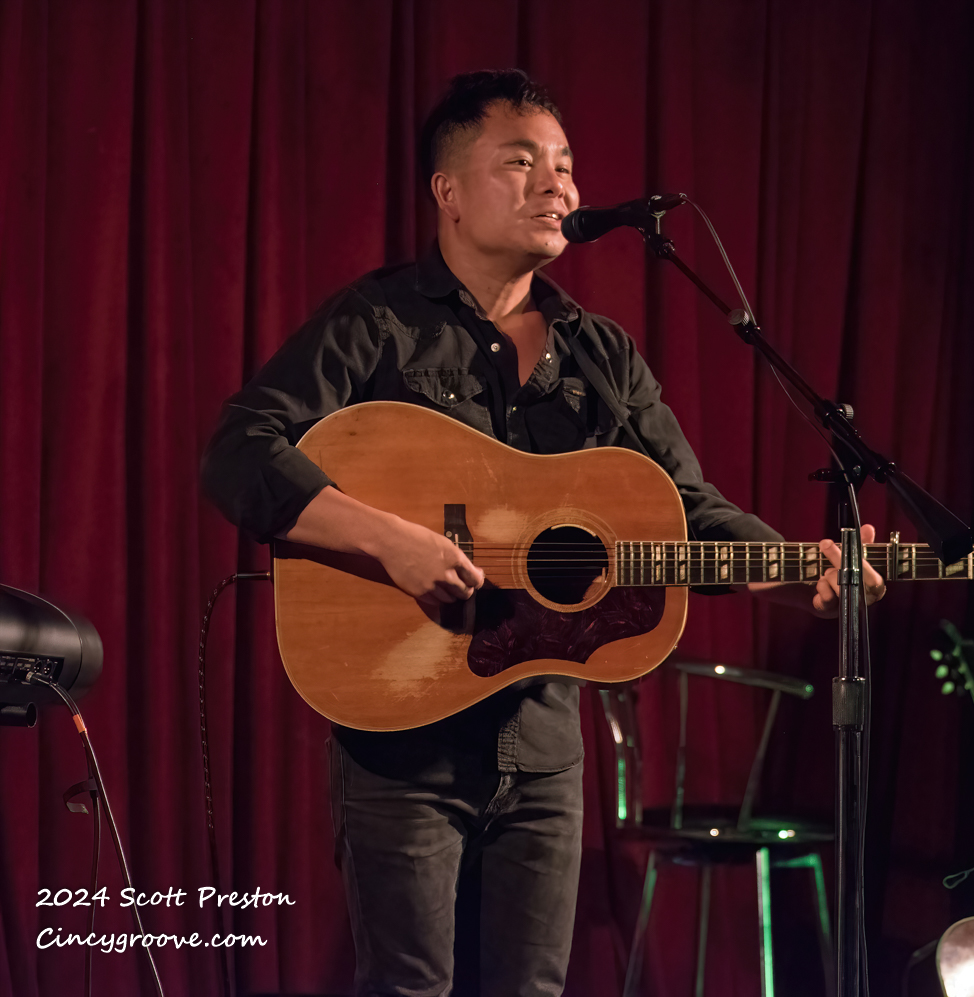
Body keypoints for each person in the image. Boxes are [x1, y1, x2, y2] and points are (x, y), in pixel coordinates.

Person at [200, 70, 885, 996]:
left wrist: (794, 565)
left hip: (544, 738)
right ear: (446, 190)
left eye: (564, 166)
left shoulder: (600, 355)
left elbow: (683, 508)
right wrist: (387, 541)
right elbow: (241, 451)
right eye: (521, 162)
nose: (558, 186)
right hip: (402, 734)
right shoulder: (377, 323)